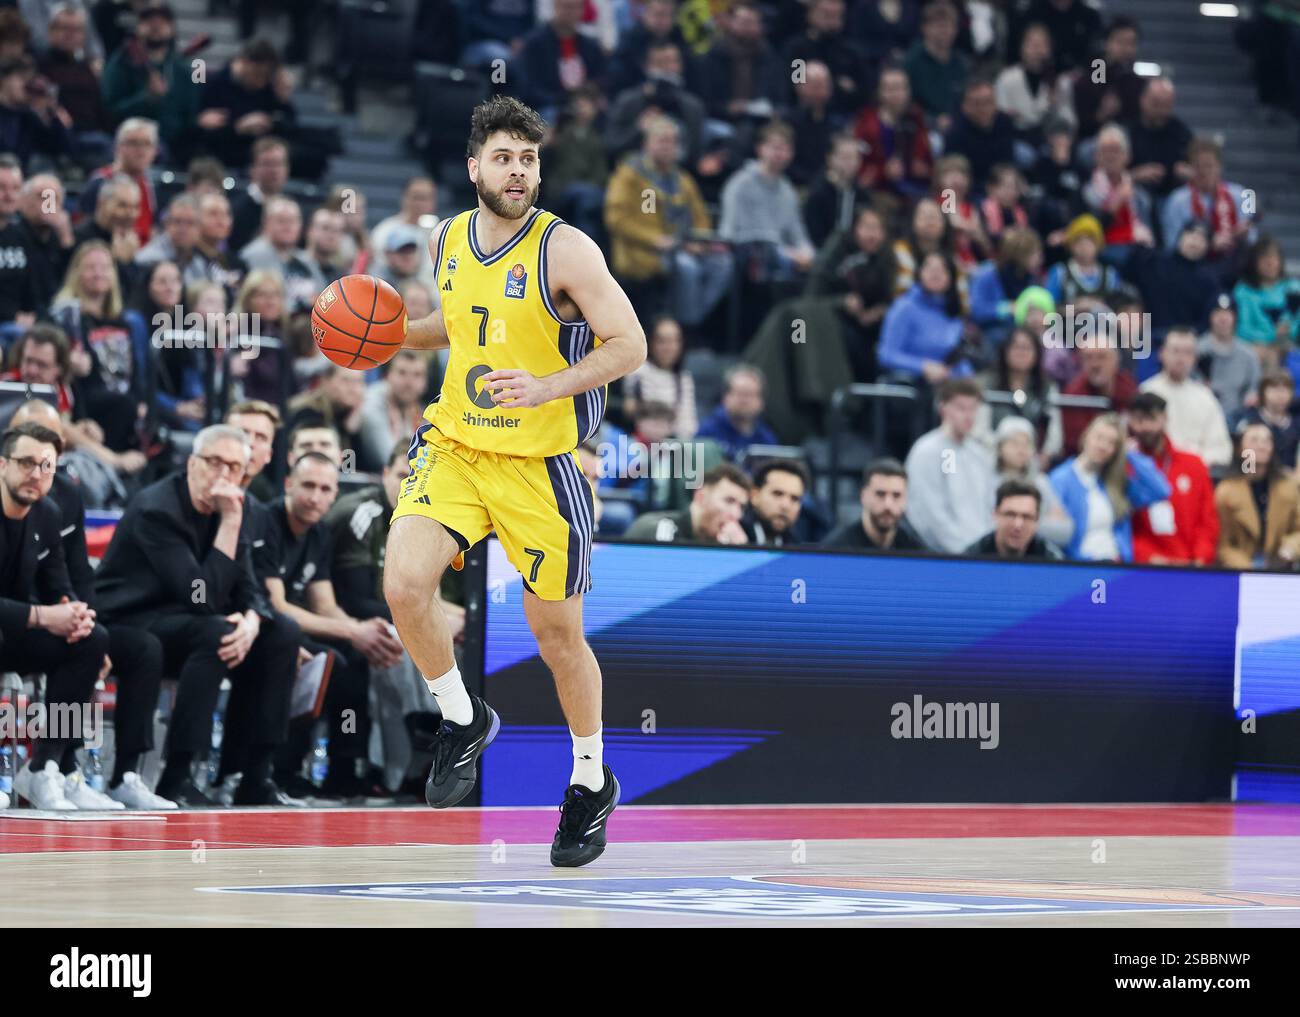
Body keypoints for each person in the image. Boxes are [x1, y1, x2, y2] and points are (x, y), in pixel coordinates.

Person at [384, 96, 646, 866]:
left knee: (556, 637)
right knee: (403, 584)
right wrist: (387, 328)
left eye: (528, 159)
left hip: (541, 465)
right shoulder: (447, 238)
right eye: (503, 157)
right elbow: (457, 327)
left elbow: (628, 343)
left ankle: (591, 781)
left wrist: (549, 384)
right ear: (474, 168)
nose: (518, 171)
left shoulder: (567, 251)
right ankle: (463, 718)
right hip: (458, 447)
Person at [91, 424, 302, 807]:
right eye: (213, 462)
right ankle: (177, 775)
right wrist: (231, 523)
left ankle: (250, 774)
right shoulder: (157, 509)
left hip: (189, 623)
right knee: (217, 633)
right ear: (192, 464)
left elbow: (250, 585)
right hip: (130, 620)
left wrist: (253, 620)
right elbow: (200, 595)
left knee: (282, 633)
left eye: (234, 467)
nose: (223, 475)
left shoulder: (241, 507)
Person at [259, 452, 397, 799]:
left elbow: (325, 604)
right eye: (308, 485)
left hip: (294, 626)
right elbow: (277, 605)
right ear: (289, 484)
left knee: (356, 656)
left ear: (334, 493)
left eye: (325, 488)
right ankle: (282, 770)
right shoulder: (267, 522)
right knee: (327, 662)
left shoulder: (318, 532)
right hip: (263, 624)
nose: (315, 496)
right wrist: (353, 630)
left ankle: (344, 770)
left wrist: (364, 631)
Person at [0, 422, 109, 810]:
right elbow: (44, 611)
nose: (35, 473)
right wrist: (46, 616)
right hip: (13, 624)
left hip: (14, 634)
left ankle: (44, 768)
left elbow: (57, 584)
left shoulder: (48, 513)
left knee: (91, 642)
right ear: (2, 465)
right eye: (26, 462)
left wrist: (76, 615)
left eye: (46, 466)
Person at [1049, 412, 1170, 561]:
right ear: (1086, 436)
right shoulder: (1060, 479)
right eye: (1099, 438)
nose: (1103, 446)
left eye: (1112, 443)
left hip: (1117, 564)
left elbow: (1161, 490)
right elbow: (1058, 537)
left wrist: (1130, 455)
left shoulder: (1115, 482)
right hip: (1080, 566)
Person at [1127, 392, 1219, 567]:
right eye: (1139, 420)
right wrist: (1146, 557)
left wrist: (1200, 559)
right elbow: (1122, 525)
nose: (1145, 426)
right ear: (1130, 422)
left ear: (1164, 418)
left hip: (1191, 566)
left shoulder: (1193, 464)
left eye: (1151, 418)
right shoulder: (1126, 467)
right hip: (1144, 568)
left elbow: (1207, 521)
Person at [905, 379, 997, 553]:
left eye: (973, 408)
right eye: (961, 408)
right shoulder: (927, 451)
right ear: (943, 409)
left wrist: (987, 549)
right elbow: (930, 515)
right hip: (947, 557)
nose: (968, 416)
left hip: (983, 554)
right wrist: (964, 551)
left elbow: (990, 507)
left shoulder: (980, 454)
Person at [1140, 327, 1233, 471]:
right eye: (1175, 351)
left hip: (1196, 472)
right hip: (1154, 472)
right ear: (1162, 353)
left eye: (1187, 353)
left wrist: (1190, 464)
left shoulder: (1205, 397)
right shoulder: (1146, 392)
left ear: (1194, 358)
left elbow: (1221, 449)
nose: (1181, 358)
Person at [878, 251, 975, 384]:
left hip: (944, 385)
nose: (935, 274)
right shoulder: (904, 307)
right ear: (919, 273)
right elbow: (886, 355)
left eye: (942, 269)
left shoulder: (953, 312)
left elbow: (955, 357)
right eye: (929, 268)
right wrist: (923, 367)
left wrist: (965, 375)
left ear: (951, 278)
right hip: (907, 385)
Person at [1215, 422, 1300, 569]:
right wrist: (1248, 567)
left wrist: (1289, 550)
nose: (1262, 446)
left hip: (1281, 567)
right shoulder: (1226, 491)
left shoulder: (1288, 487)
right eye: (1254, 440)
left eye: (1267, 440)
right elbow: (1223, 544)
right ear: (1241, 448)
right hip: (1239, 570)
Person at [623, 462, 751, 544]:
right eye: (729, 501)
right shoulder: (660, 529)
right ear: (700, 497)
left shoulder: (720, 541)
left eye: (742, 507)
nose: (737, 514)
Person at [822, 457, 928, 551]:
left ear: (906, 499)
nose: (888, 505)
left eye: (896, 496)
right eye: (880, 494)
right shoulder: (836, 550)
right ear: (863, 496)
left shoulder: (916, 552)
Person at [622, 314, 697, 438]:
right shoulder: (636, 370)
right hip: (636, 443)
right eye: (662, 341)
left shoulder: (684, 380)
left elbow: (688, 425)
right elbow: (628, 409)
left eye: (674, 341)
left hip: (671, 445)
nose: (669, 347)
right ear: (651, 342)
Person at [1059, 344, 1139, 457]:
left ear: (1116, 361)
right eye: (1088, 358)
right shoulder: (1073, 394)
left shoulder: (1129, 389)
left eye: (1102, 357)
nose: (1095, 364)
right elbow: (1075, 442)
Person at [695, 364, 780, 463]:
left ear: (761, 402)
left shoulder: (766, 438)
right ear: (725, 397)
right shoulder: (707, 432)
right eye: (740, 394)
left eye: (750, 395)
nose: (744, 401)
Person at [1197, 293, 1260, 420]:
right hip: (1201, 415)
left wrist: (1252, 397)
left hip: (1238, 418)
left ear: (1235, 317)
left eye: (1228, 313)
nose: (1223, 318)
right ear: (1210, 317)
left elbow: (1254, 387)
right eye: (1218, 313)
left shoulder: (1248, 354)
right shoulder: (1197, 350)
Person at [966, 480, 1064, 559]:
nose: (1018, 525)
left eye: (1027, 517)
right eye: (1010, 515)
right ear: (995, 515)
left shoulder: (1053, 562)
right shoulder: (970, 559)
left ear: (1037, 520)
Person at [1232, 235, 1300, 347]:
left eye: (1274, 257)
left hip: (1292, 345)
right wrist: (1272, 335)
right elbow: (1242, 330)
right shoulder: (1243, 291)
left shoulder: (1294, 287)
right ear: (1254, 262)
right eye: (1264, 258)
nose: (1270, 263)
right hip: (1257, 347)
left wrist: (1290, 330)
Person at [1231, 371, 1300, 472]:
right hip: (1253, 476)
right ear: (1262, 392)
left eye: (1285, 389)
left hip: (1290, 480)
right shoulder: (1249, 419)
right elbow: (1243, 460)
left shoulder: (1296, 424)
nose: (1280, 395)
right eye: (1275, 389)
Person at [741, 458, 811, 545]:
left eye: (794, 499)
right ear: (755, 496)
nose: (785, 506)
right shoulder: (732, 537)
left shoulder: (797, 546)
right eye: (777, 494)